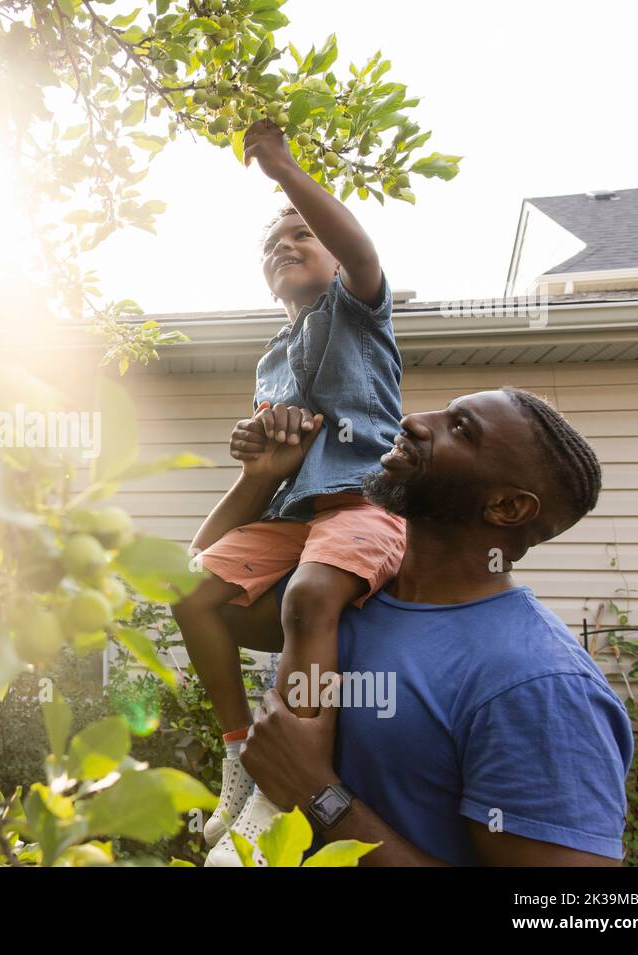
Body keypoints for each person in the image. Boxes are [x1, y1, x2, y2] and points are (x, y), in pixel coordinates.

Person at [228, 388, 634, 866]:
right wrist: (259, 479)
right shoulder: (344, 596)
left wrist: (318, 793)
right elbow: (195, 596)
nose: (414, 419)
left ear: (506, 507)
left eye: (460, 428)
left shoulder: (539, 683)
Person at [171, 117, 406, 860]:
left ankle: (282, 789)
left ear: (335, 259)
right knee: (189, 590)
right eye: (273, 242)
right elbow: (273, 448)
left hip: (363, 504)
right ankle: (242, 750)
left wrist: (283, 171)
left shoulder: (356, 311)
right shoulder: (272, 356)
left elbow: (363, 251)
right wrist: (255, 447)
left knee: (309, 596)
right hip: (293, 516)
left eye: (303, 234)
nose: (284, 243)